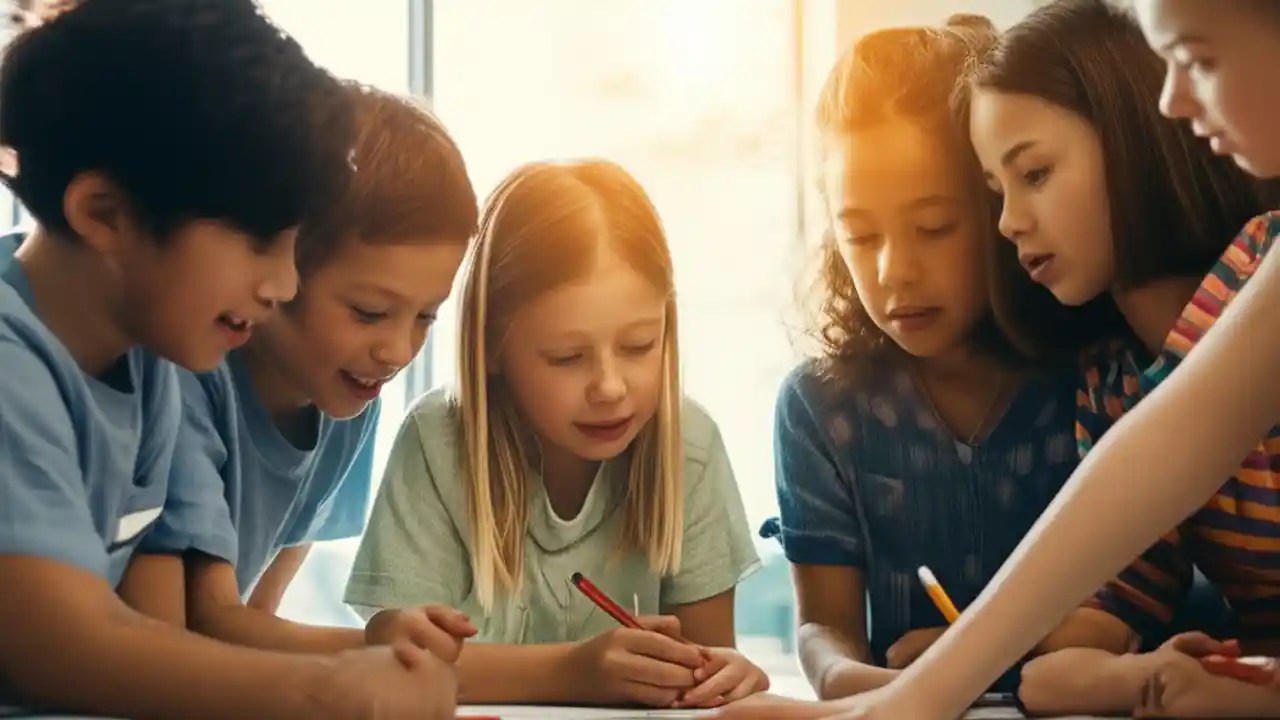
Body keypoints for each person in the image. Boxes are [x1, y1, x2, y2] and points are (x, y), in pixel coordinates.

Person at [346, 160, 769, 709]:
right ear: (493, 345)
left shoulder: (689, 446)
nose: (611, 387)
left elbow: (705, 664)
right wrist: (571, 671)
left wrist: (724, 676)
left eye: (640, 346)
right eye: (567, 358)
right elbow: (401, 665)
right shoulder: (438, 442)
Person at [765, 14, 1080, 702]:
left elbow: (1135, 606)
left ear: (998, 205)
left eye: (934, 228)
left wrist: (967, 659)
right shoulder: (820, 408)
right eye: (860, 233)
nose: (894, 270)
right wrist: (862, 687)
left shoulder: (1090, 376)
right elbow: (825, 626)